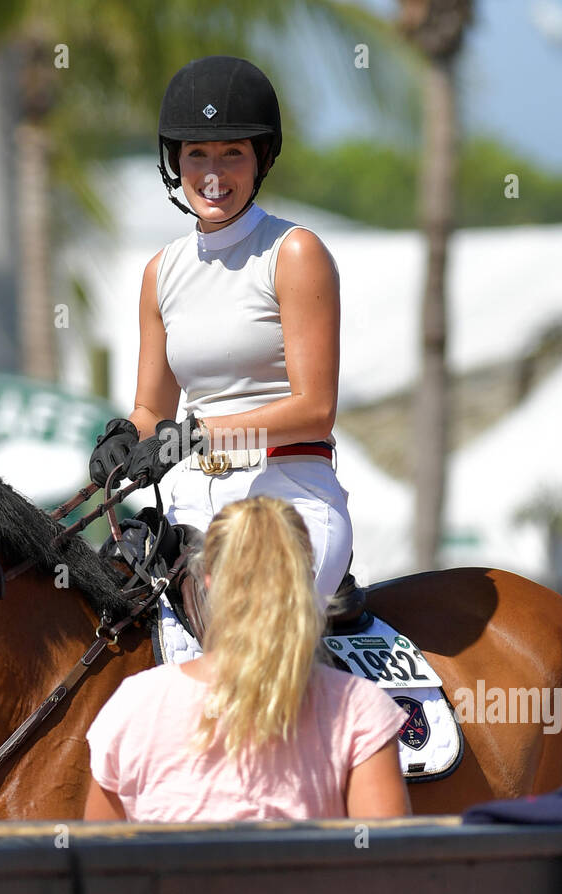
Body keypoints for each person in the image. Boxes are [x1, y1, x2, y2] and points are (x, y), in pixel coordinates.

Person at [88, 54, 352, 662]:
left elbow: (315, 410)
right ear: (174, 162)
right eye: (196, 154)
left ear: (260, 160)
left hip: (288, 499)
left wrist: (198, 436)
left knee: (240, 663)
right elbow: (154, 407)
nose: (212, 173)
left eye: (231, 153)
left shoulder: (294, 253)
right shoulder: (161, 272)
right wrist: (127, 436)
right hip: (185, 506)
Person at [84, 497, 410, 822]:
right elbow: (384, 866)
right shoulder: (360, 707)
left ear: (207, 580)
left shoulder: (132, 704)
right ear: (307, 579)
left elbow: (95, 862)